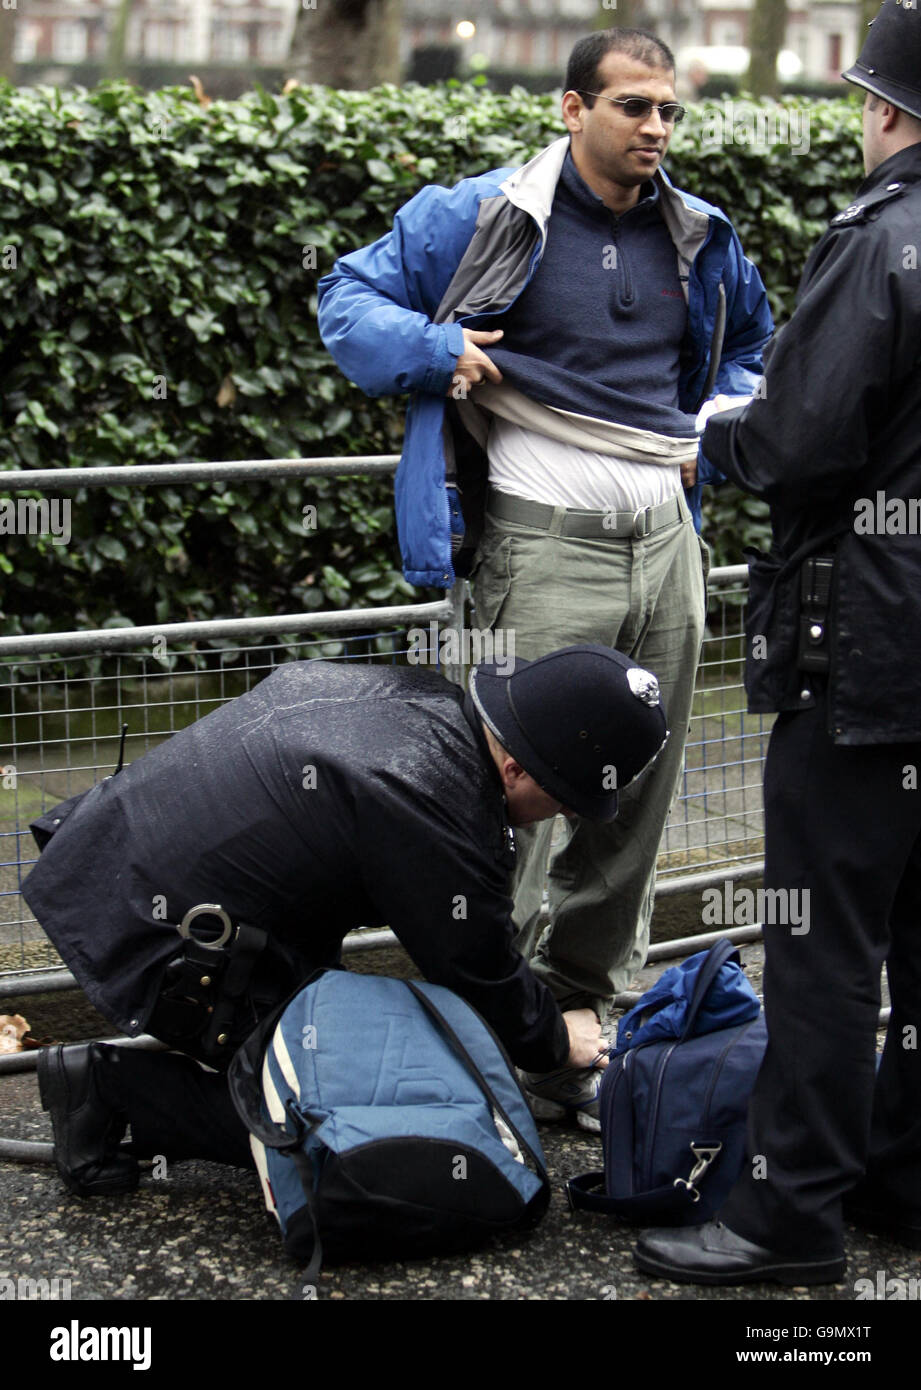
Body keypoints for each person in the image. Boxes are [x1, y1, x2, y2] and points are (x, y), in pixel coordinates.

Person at [317, 27, 772, 1125]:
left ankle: (579, 1035)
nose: (656, 128)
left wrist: (717, 421)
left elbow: (759, 349)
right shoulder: (482, 215)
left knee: (635, 804)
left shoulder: (701, 235)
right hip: (536, 544)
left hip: (668, 546)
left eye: (668, 110)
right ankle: (481, 1050)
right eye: (633, 107)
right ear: (573, 110)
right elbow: (346, 302)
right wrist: (434, 354)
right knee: (508, 809)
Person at [635, 0, 921, 1285]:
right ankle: (902, 1176)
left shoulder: (882, 243)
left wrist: (722, 433)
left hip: (864, 649)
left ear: (884, 109)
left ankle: (788, 1217)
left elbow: (805, 436)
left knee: (819, 939)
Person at [25, 645, 668, 1195]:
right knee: (351, 1115)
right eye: (564, 800)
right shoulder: (436, 804)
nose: (566, 817)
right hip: (158, 933)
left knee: (347, 1040)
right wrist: (559, 1037)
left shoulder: (424, 700)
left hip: (110, 857)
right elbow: (478, 969)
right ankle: (107, 1090)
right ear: (515, 768)